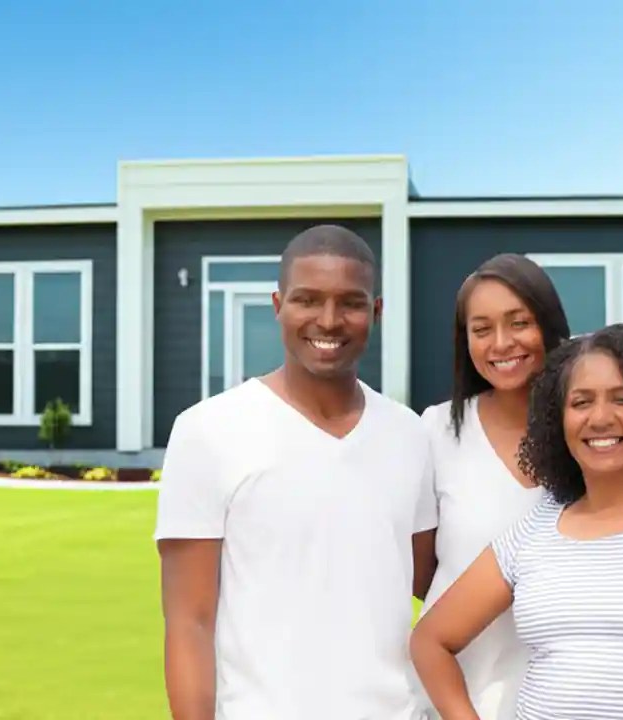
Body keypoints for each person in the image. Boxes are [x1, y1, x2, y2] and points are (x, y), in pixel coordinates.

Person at [153, 224, 436, 719]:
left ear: (376, 311)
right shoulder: (207, 431)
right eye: (307, 300)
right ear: (278, 305)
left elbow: (434, 582)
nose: (329, 320)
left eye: (350, 302)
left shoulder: (409, 434)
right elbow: (188, 622)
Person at [411, 323, 623, 720]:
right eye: (581, 402)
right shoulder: (533, 531)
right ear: (558, 422)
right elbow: (431, 640)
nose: (600, 418)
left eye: (622, 399)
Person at [411, 253, 572, 720]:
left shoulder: (592, 431)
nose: (502, 343)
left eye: (519, 322)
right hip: (456, 701)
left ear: (548, 324)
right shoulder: (437, 432)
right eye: (481, 329)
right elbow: (422, 572)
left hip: (558, 702)